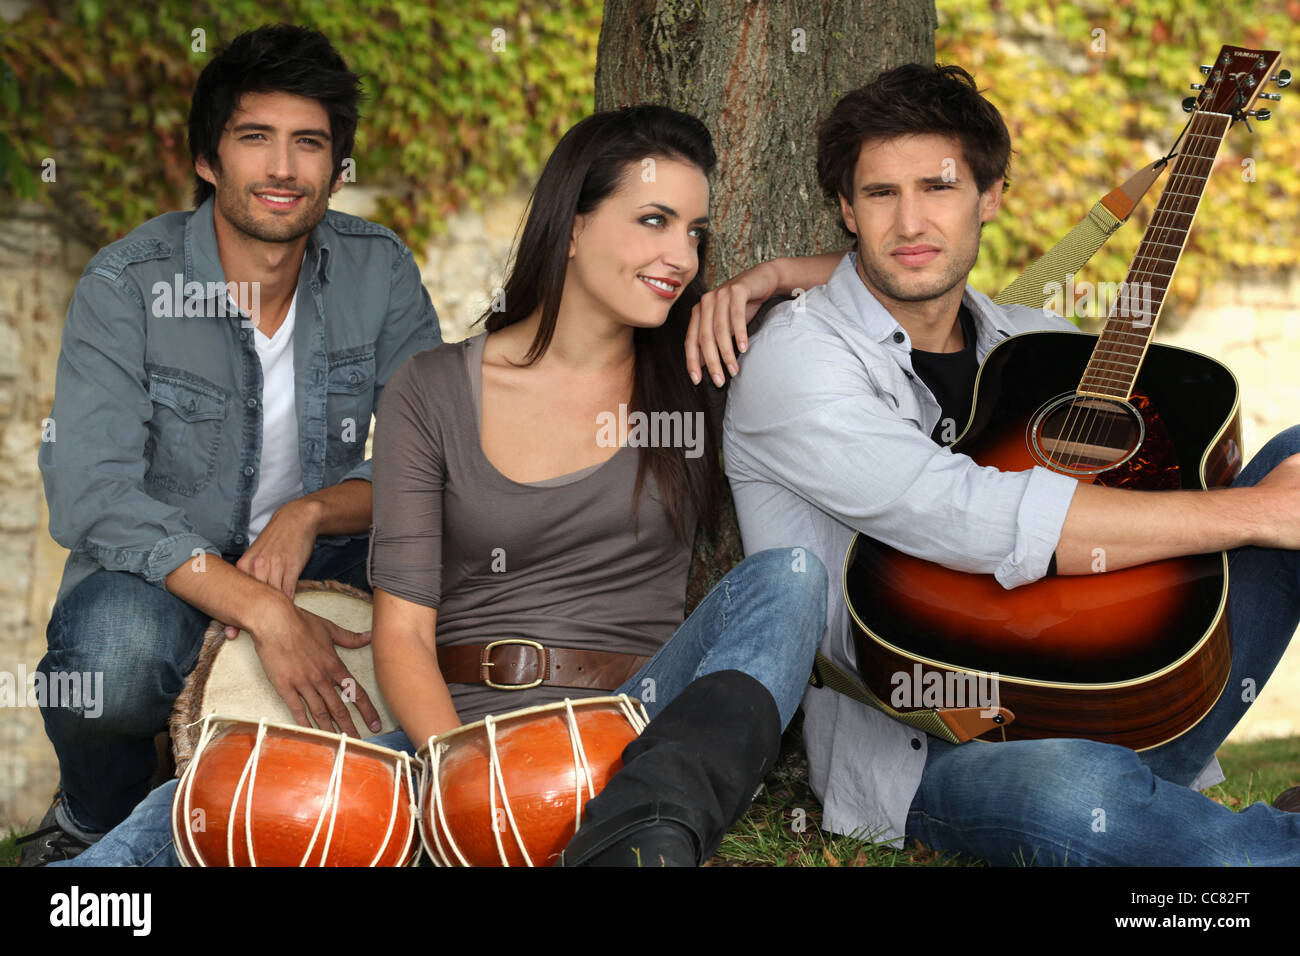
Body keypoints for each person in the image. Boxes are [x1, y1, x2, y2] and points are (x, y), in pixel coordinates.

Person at [52, 103, 826, 868]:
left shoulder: (701, 360)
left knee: (788, 579)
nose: (681, 257)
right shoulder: (432, 388)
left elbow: (884, 285)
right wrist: (469, 779)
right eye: (654, 221)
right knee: (217, 794)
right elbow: (404, 636)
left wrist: (771, 278)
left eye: (695, 234)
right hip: (460, 739)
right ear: (574, 226)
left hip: (631, 729)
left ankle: (646, 837)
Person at [718, 62, 1300, 865]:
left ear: (989, 198)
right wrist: (1256, 513)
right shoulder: (797, 361)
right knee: (1076, 792)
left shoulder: (1031, 345)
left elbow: (1161, 446)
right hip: (939, 745)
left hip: (1130, 692)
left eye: (939, 187)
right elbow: (964, 515)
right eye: (881, 194)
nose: (910, 221)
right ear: (847, 211)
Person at [23, 24, 442, 866]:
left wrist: (309, 512)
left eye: (308, 143)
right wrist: (262, 609)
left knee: (468, 591)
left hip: (329, 549)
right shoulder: (127, 285)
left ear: (337, 166)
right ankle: (93, 820)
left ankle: (411, 807)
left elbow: (425, 456)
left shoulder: (380, 270)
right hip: (165, 563)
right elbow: (92, 491)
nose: (283, 168)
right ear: (208, 160)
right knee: (109, 666)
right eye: (256, 138)